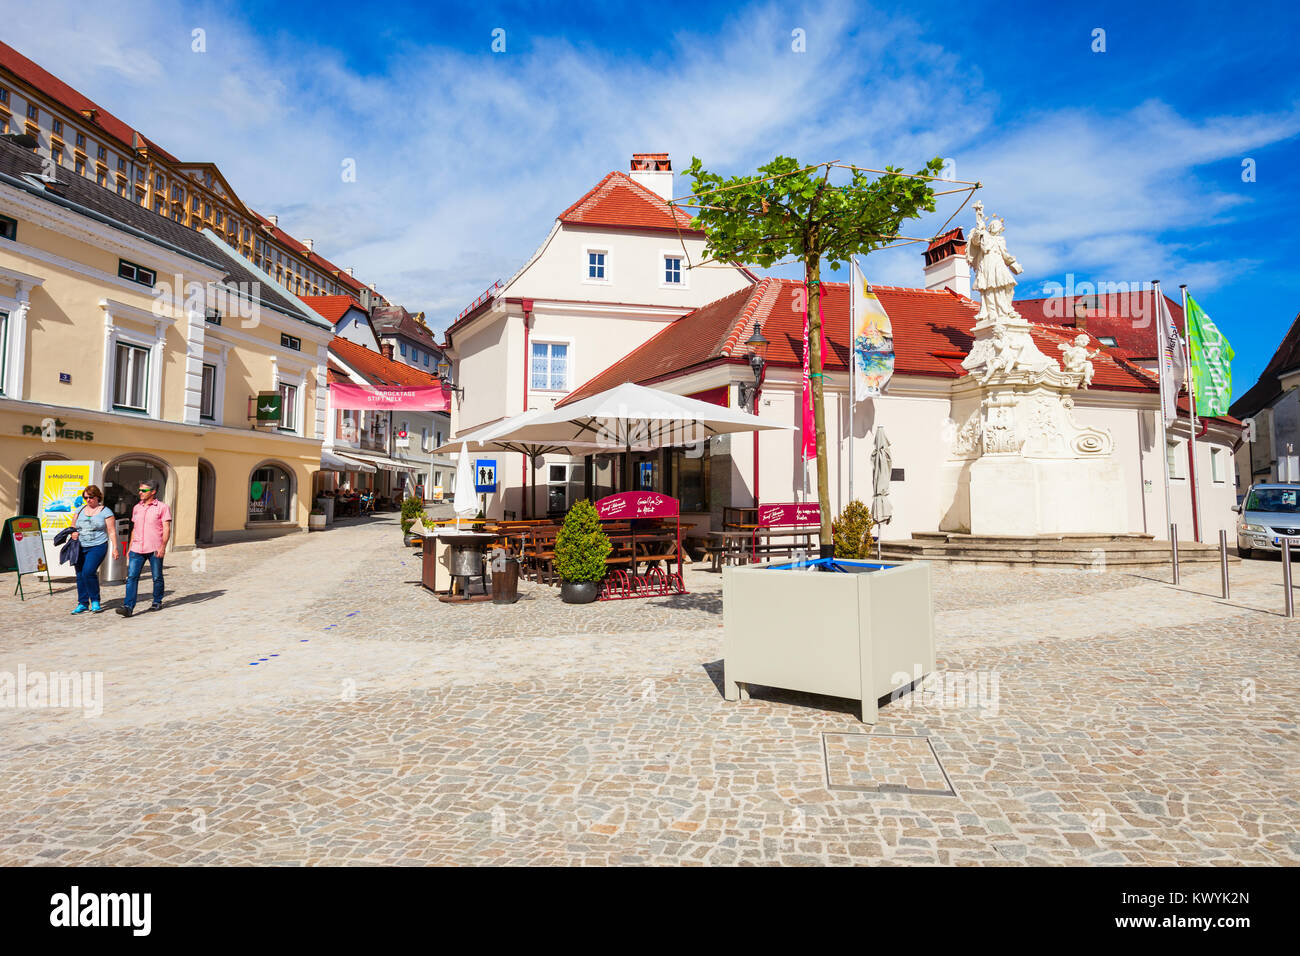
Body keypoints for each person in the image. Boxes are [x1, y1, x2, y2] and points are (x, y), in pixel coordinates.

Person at [116, 478, 171, 617]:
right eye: (139, 490)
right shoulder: (137, 507)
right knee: (132, 578)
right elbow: (134, 528)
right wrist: (129, 547)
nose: (140, 492)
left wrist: (163, 546)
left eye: (143, 490)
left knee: (157, 577)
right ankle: (128, 607)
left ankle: (157, 601)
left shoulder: (162, 507)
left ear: (153, 492)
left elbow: (166, 528)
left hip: (154, 548)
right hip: (136, 548)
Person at [69, 485, 117, 614]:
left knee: (88, 572)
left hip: (98, 545)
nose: (88, 500)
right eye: (85, 498)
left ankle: (95, 601)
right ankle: (83, 603)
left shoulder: (106, 511)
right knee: (80, 574)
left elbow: (111, 531)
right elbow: (73, 526)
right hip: (79, 546)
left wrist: (115, 548)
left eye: (91, 497)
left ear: (97, 497)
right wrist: (73, 533)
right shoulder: (79, 510)